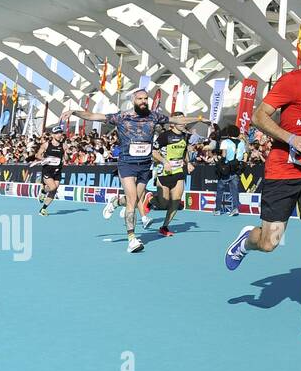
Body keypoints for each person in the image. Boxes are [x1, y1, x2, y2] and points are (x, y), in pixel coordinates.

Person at [224, 30, 301, 338]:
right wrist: (291, 137)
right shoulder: (291, 81)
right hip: (282, 170)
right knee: (270, 242)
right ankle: (247, 240)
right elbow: (258, 117)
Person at [74, 91, 205, 254]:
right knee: (132, 200)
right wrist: (73, 112)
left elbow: (178, 120)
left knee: (135, 200)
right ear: (133, 101)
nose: (143, 102)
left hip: (145, 165)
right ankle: (131, 239)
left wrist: (199, 119)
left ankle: (116, 202)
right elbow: (93, 116)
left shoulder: (154, 116)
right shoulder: (121, 117)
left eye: (145, 99)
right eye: (140, 99)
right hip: (127, 164)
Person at [151, 121, 194, 237]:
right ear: (173, 124)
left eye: (184, 121)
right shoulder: (165, 136)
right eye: (180, 121)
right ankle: (150, 199)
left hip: (178, 172)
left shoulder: (185, 136)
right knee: (164, 203)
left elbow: (185, 152)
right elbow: (153, 152)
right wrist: (164, 161)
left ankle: (164, 227)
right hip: (164, 172)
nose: (183, 123)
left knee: (176, 201)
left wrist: (188, 163)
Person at [33, 125, 67, 216]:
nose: (59, 135)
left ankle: (43, 209)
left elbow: (66, 158)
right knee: (52, 187)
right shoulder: (46, 144)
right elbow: (37, 155)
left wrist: (67, 155)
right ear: (53, 135)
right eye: (57, 133)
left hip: (58, 170)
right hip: (47, 169)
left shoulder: (63, 145)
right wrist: (45, 159)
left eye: (60, 133)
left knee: (54, 191)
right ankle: (43, 192)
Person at [215, 126, 248, 216]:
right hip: (236, 169)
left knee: (220, 189)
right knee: (234, 190)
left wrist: (219, 161)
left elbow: (224, 155)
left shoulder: (225, 142)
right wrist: (243, 164)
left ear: (228, 133)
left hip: (226, 168)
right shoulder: (241, 143)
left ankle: (217, 209)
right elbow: (245, 155)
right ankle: (235, 208)